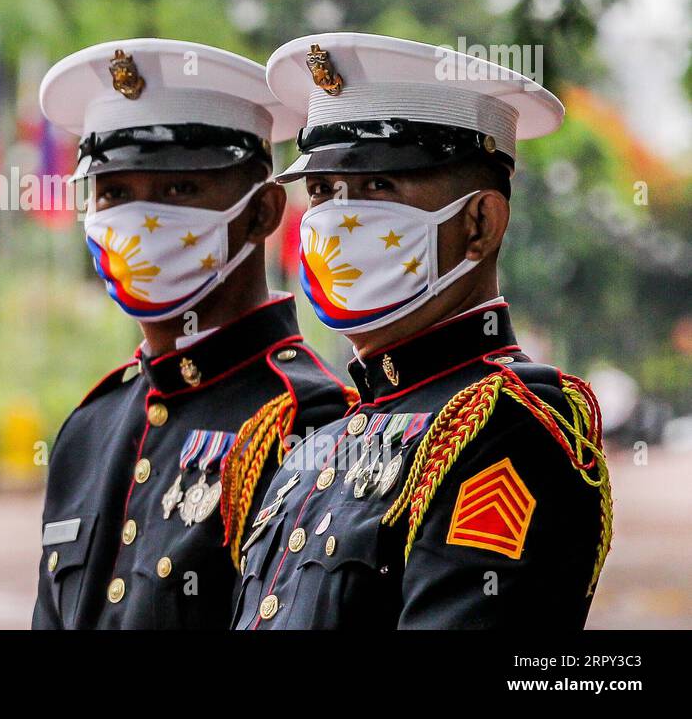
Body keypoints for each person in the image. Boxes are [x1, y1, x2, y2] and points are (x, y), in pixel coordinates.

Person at [229, 32, 613, 629]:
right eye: (326, 190)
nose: (337, 217)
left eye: (379, 186)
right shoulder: (321, 440)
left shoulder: (504, 429)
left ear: (481, 223)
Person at [31, 39, 353, 629]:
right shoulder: (91, 425)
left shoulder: (309, 421)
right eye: (114, 194)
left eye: (179, 190)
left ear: (263, 212)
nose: (140, 220)